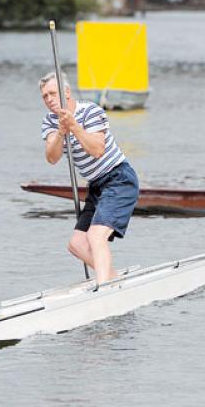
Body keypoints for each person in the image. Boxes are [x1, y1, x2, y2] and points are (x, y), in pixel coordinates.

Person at [39, 72, 139, 283]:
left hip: (118, 178)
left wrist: (73, 126)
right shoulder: (49, 122)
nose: (49, 100)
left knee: (95, 236)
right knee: (76, 244)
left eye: (52, 93)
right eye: (45, 96)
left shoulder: (91, 111)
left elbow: (97, 150)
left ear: (66, 92)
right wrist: (60, 132)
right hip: (96, 187)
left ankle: (103, 286)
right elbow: (52, 157)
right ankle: (111, 278)